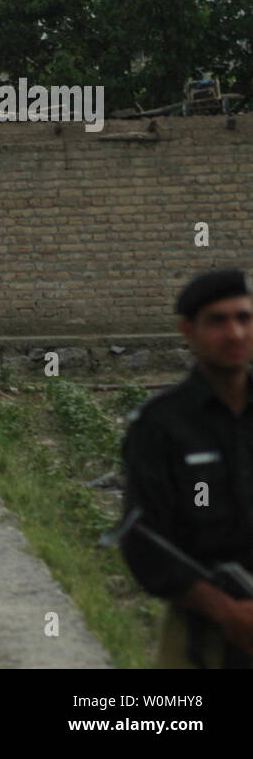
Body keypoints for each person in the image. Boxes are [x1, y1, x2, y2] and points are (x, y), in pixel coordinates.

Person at [119, 268, 253, 668]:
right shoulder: (161, 426)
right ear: (188, 330)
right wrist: (228, 612)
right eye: (218, 320)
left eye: (244, 318)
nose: (234, 333)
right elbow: (142, 540)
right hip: (202, 634)